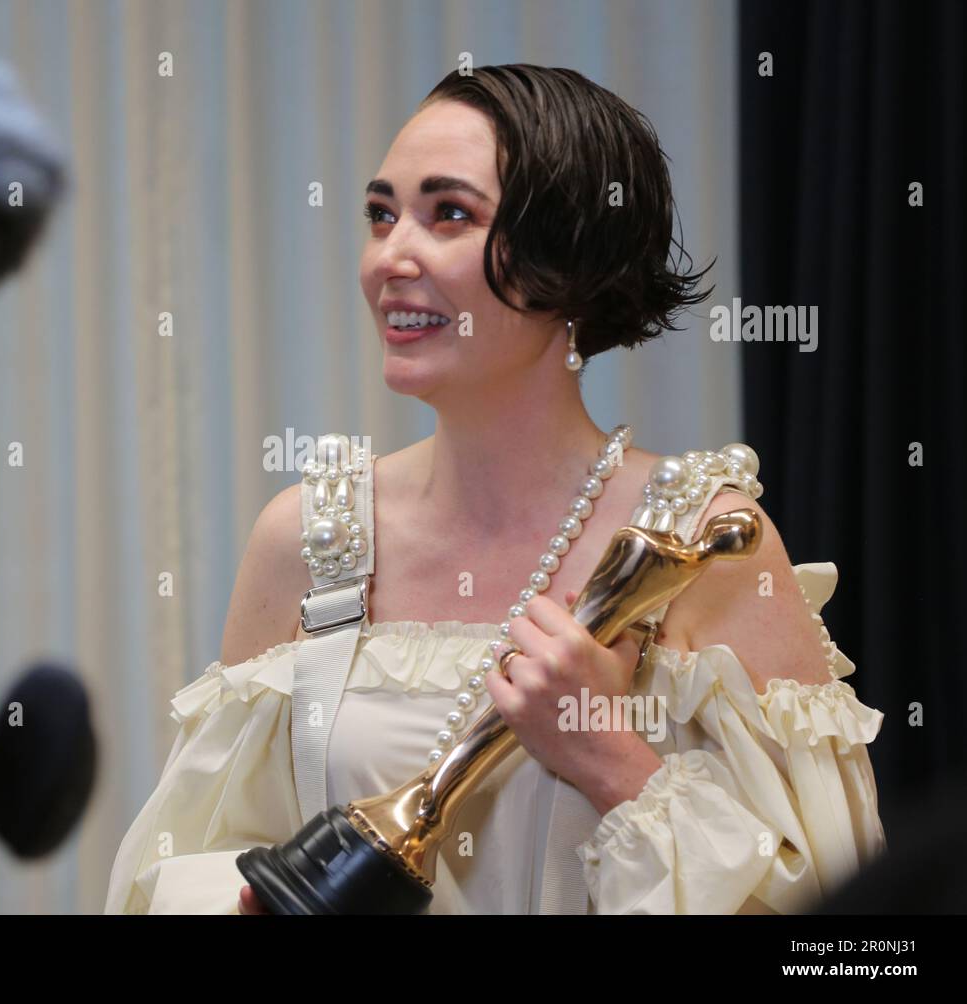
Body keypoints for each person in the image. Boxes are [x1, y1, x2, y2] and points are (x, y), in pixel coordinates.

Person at [103, 64, 886, 915]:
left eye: (450, 214)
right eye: (379, 214)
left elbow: (846, 940)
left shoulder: (708, 545)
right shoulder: (306, 541)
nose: (390, 257)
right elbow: (200, 855)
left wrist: (607, 754)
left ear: (573, 255)